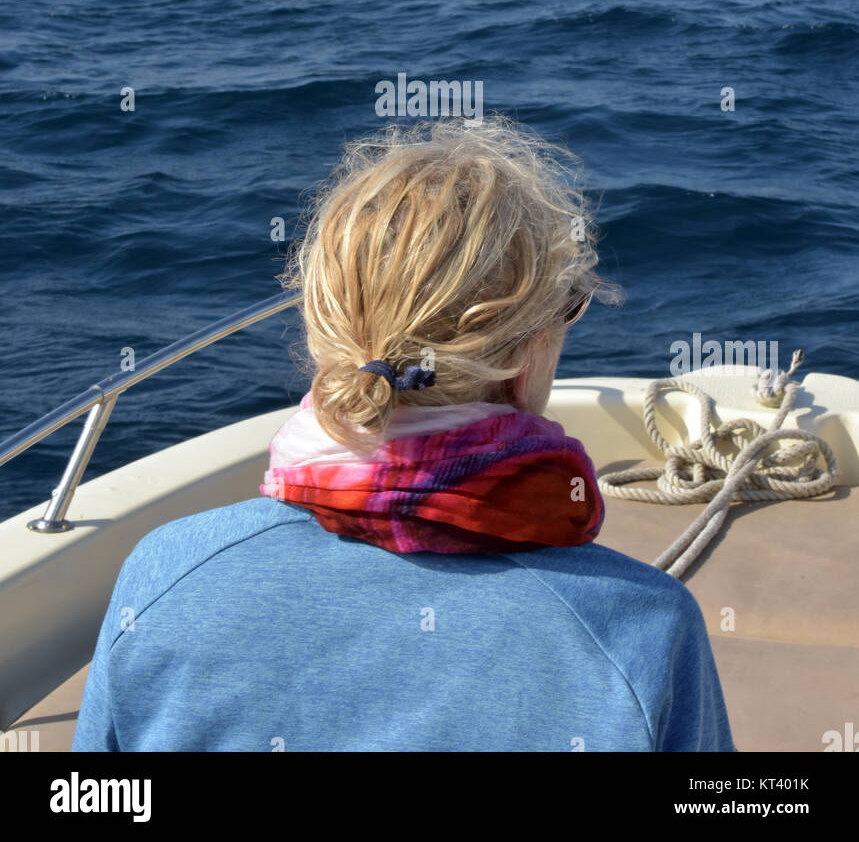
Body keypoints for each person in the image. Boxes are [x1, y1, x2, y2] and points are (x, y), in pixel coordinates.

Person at [73, 116, 734, 752]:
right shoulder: (642, 628)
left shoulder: (165, 575)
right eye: (570, 302)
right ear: (527, 351)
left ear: (320, 326)